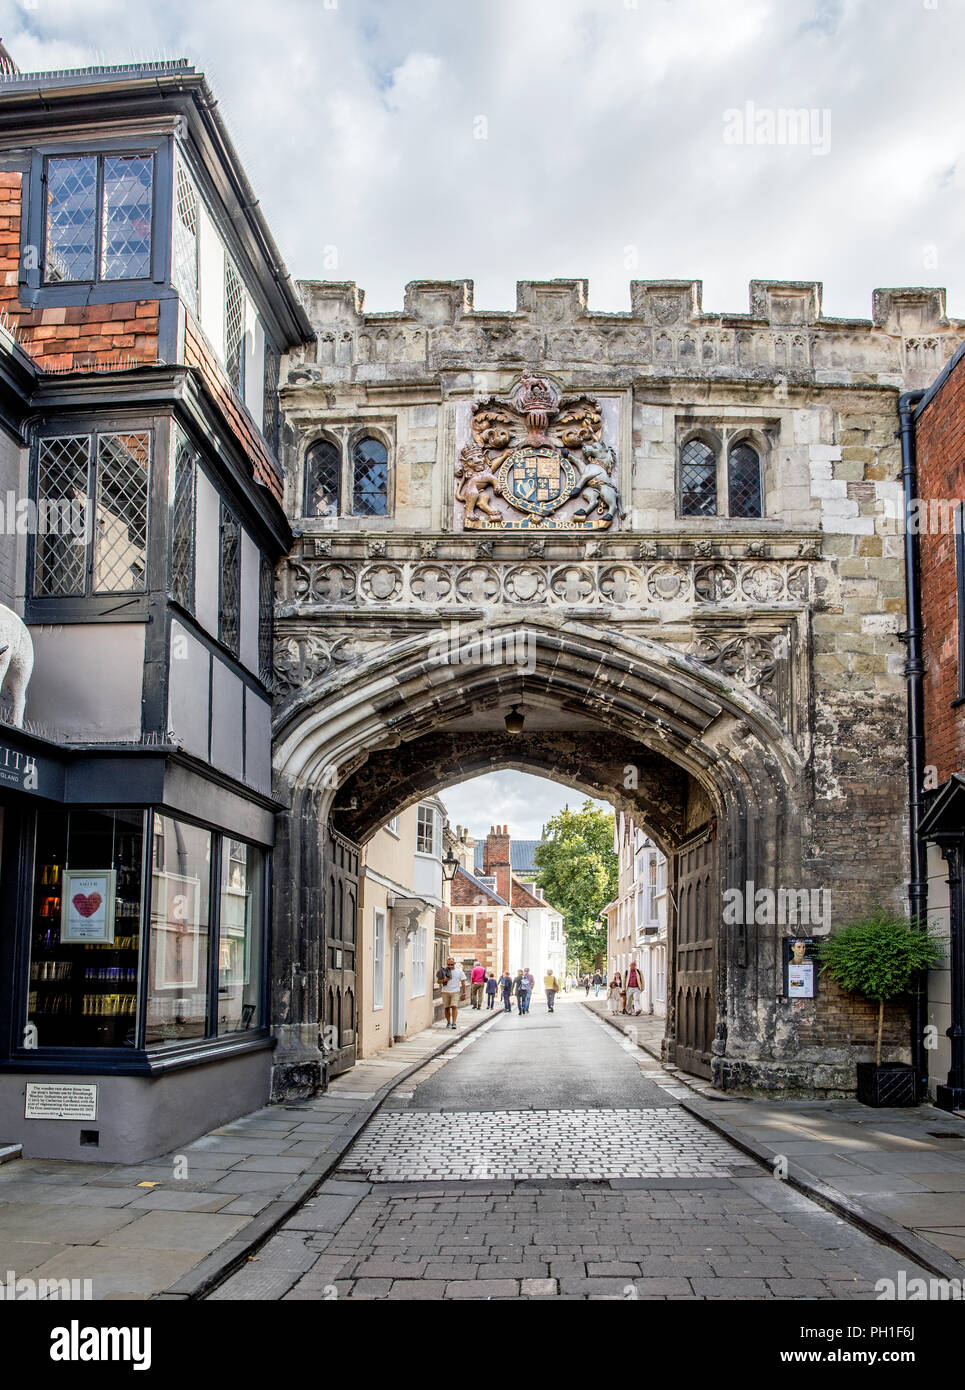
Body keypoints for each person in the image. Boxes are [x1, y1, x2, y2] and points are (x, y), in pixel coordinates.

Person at [438, 956, 466, 1029]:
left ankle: (454, 1023)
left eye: (451, 964)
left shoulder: (459, 971)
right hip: (445, 991)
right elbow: (438, 981)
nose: (450, 966)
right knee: (446, 1008)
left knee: (454, 1006)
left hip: (455, 991)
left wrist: (464, 993)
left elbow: (463, 982)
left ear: (454, 963)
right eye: (448, 964)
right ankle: (448, 1022)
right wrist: (445, 980)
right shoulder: (443, 971)